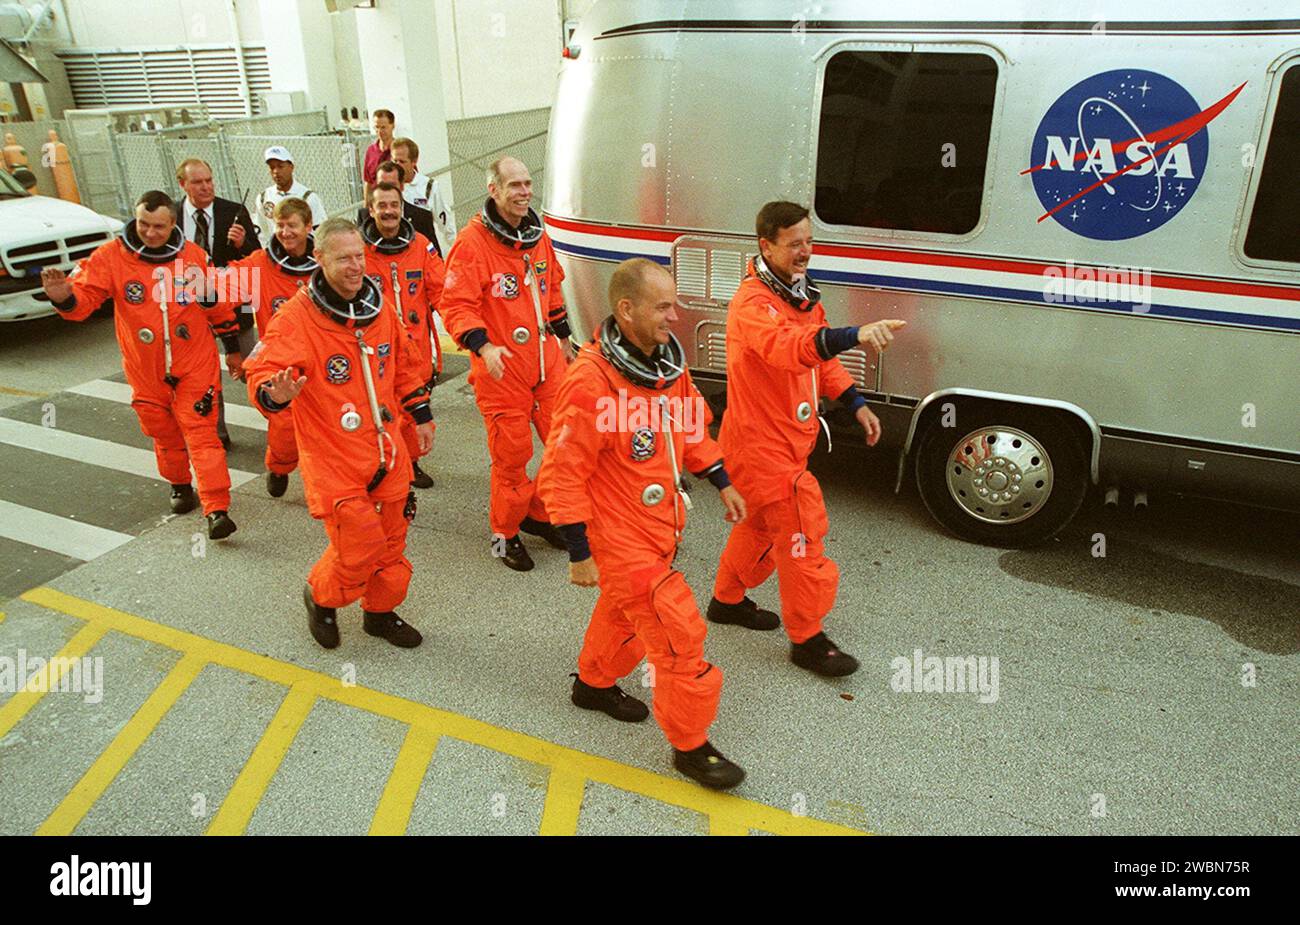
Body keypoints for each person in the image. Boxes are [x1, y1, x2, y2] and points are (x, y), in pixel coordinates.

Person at [537, 258, 748, 789]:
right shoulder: (590, 382)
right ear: (626, 310)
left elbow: (692, 428)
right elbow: (562, 472)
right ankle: (691, 746)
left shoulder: (665, 369)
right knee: (679, 632)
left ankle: (592, 683)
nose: (674, 316)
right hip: (618, 538)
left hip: (660, 527)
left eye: (674, 304)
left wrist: (722, 480)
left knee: (622, 615)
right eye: (663, 306)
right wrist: (578, 550)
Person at [709, 201, 906, 675]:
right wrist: (855, 333)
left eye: (809, 242)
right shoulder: (753, 304)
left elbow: (819, 358)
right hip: (763, 448)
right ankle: (809, 640)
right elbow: (790, 348)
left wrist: (855, 404)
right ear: (766, 245)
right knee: (801, 538)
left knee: (757, 526)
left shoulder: (799, 296)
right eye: (795, 244)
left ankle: (726, 601)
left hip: (775, 443)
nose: (805, 252)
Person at [243, 217, 435, 650]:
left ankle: (379, 614)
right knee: (358, 548)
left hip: (386, 452)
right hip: (334, 459)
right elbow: (262, 370)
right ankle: (321, 597)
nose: (354, 266)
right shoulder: (297, 318)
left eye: (359, 256)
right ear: (320, 258)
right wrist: (276, 394)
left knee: (391, 546)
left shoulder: (378, 306)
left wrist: (420, 415)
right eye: (343, 258)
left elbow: (405, 364)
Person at [39, 190, 242, 539]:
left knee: (201, 433)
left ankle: (217, 509)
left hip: (193, 362)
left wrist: (233, 347)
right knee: (163, 432)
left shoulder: (192, 258)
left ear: (173, 223)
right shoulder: (112, 258)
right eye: (144, 224)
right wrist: (64, 297)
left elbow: (215, 306)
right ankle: (180, 485)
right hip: (145, 369)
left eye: (159, 227)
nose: (150, 233)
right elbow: (83, 302)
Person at [439, 156, 571, 571]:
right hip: (501, 369)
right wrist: (483, 347)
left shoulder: (536, 236)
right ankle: (505, 534)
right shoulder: (473, 243)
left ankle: (541, 514)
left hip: (546, 362)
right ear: (493, 190)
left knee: (566, 446)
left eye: (528, 183)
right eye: (514, 185)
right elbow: (456, 304)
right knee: (512, 457)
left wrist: (565, 340)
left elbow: (552, 291)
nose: (524, 192)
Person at [221, 197, 318, 498]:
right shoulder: (261, 265)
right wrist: (193, 287)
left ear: (308, 226)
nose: (285, 232)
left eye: (292, 225)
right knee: (285, 423)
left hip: (323, 355)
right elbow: (223, 286)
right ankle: (279, 465)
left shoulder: (325, 262)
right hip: (280, 361)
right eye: (280, 225)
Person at [361, 181, 446, 491]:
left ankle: (410, 463)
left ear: (402, 208)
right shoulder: (360, 252)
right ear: (371, 209)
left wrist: (465, 328)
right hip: (375, 349)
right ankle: (380, 464)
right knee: (378, 410)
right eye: (381, 206)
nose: (388, 211)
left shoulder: (420, 245)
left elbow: (442, 291)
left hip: (416, 347)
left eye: (393, 205)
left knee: (413, 408)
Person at [175, 157, 261, 448]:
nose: (205, 187)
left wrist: (241, 244)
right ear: (182, 184)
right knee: (203, 377)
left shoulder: (233, 211)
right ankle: (216, 434)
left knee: (253, 369)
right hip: (190, 312)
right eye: (197, 182)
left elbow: (256, 258)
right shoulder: (172, 216)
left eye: (209, 180)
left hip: (234, 307)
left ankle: (281, 427)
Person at [390, 136, 455, 255]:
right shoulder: (387, 188)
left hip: (425, 252)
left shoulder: (428, 187)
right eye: (395, 161)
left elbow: (444, 222)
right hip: (398, 252)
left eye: (402, 161)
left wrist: (456, 248)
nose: (397, 165)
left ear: (414, 162)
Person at [356, 161, 437, 249]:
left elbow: (434, 255)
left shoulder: (422, 217)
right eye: (382, 185)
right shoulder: (364, 216)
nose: (387, 190)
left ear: (402, 186)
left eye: (391, 185)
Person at [253, 145, 327, 241]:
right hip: (275, 252)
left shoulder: (307, 197)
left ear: (291, 167)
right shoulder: (264, 197)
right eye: (272, 167)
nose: (276, 171)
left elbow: (320, 230)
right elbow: (261, 231)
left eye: (280, 166)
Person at [362, 109, 395, 198]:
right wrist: (366, 208)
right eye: (377, 127)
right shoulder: (370, 151)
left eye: (383, 127)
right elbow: (368, 182)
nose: (379, 131)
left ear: (393, 126)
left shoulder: (400, 150)